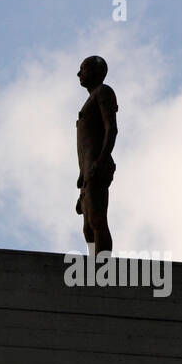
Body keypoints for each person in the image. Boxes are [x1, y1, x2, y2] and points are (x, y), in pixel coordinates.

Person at [75, 56, 118, 255]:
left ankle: (102, 266)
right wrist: (82, 175)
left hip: (97, 166)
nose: (79, 74)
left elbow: (111, 129)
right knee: (87, 227)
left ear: (94, 72)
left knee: (97, 219)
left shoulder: (103, 92)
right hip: (87, 172)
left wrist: (99, 162)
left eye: (82, 69)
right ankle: (94, 262)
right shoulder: (91, 99)